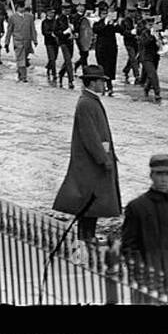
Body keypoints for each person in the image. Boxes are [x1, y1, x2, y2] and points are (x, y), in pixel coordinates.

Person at [52, 65, 122, 251]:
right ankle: (84, 237)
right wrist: (103, 158)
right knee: (89, 200)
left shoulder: (90, 100)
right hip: (91, 162)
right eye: (101, 81)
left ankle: (87, 235)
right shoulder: (86, 103)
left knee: (92, 200)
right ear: (92, 82)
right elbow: (90, 135)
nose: (104, 84)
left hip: (92, 161)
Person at [118, 153, 168, 293]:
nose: (163, 179)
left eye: (167, 174)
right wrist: (141, 273)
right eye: (159, 174)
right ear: (151, 176)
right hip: (149, 279)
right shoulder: (137, 207)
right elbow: (129, 246)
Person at [6, 2, 36, 83]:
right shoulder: (12, 17)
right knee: (21, 59)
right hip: (18, 41)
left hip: (27, 42)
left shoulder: (30, 17)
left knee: (24, 59)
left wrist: (35, 39)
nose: (22, 9)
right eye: (20, 7)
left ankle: (20, 72)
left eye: (23, 7)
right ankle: (24, 77)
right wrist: (7, 42)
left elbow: (32, 29)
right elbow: (9, 30)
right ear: (17, 8)